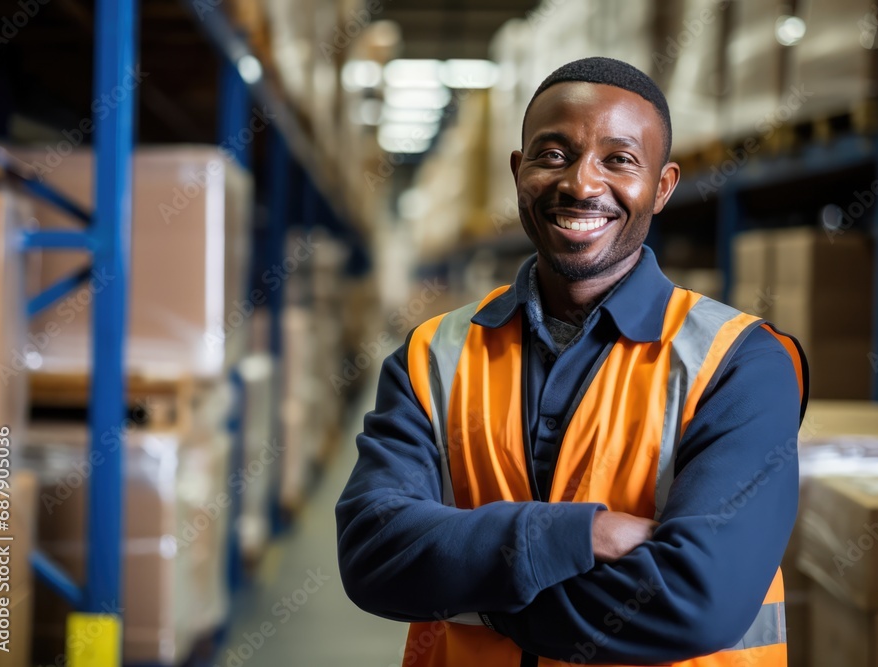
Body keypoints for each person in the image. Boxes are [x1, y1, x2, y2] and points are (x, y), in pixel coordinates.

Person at [336, 57, 807, 667]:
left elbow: (697, 601)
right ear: (518, 171)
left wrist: (476, 587)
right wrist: (579, 534)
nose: (582, 184)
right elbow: (374, 553)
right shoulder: (432, 355)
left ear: (662, 187)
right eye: (553, 155)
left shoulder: (741, 365)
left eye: (619, 159)